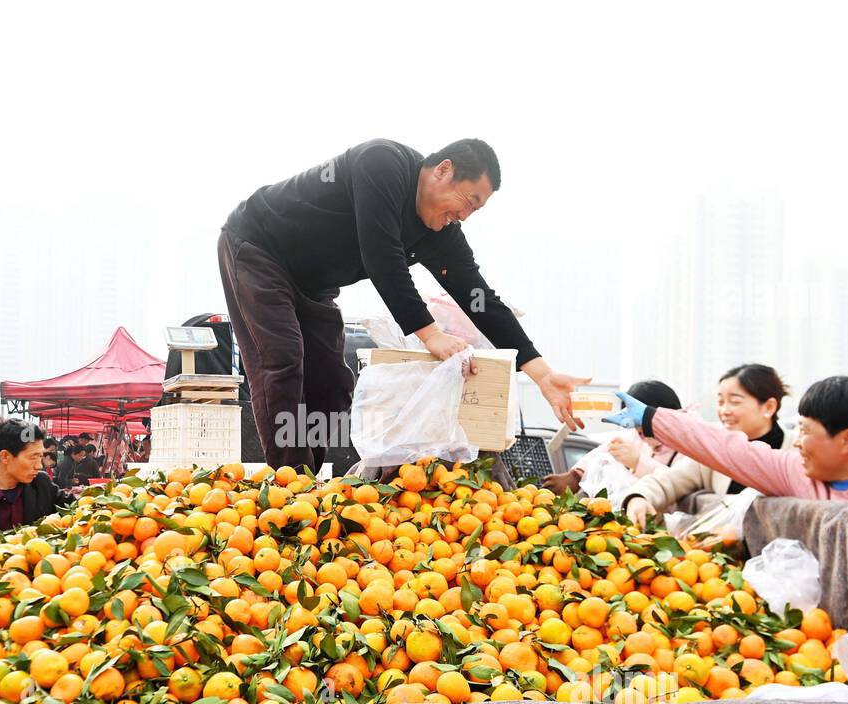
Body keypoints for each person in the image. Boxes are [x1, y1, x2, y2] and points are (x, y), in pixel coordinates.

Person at [219, 137, 590, 470]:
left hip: (313, 287)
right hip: (259, 249)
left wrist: (541, 373)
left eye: (475, 212)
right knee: (283, 359)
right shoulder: (383, 163)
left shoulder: (440, 232)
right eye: (468, 201)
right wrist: (430, 334)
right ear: (443, 170)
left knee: (332, 383)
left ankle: (306, 481)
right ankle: (290, 490)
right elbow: (381, 254)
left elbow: (481, 300)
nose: (464, 216)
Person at [604, 375, 848, 593]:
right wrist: (653, 418)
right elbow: (726, 449)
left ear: (847, 440)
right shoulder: (795, 470)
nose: (796, 442)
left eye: (807, 432)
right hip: (809, 636)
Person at [620, 365, 795, 526]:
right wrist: (638, 497)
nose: (725, 411)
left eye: (735, 402)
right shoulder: (714, 451)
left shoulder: (797, 451)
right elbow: (670, 480)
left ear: (769, 407)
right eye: (720, 402)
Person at [544, 380, 684, 495]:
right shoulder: (635, 437)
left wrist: (638, 462)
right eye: (635, 427)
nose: (640, 433)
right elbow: (603, 452)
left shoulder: (688, 448)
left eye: (643, 425)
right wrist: (576, 475)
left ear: (666, 415)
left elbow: (682, 485)